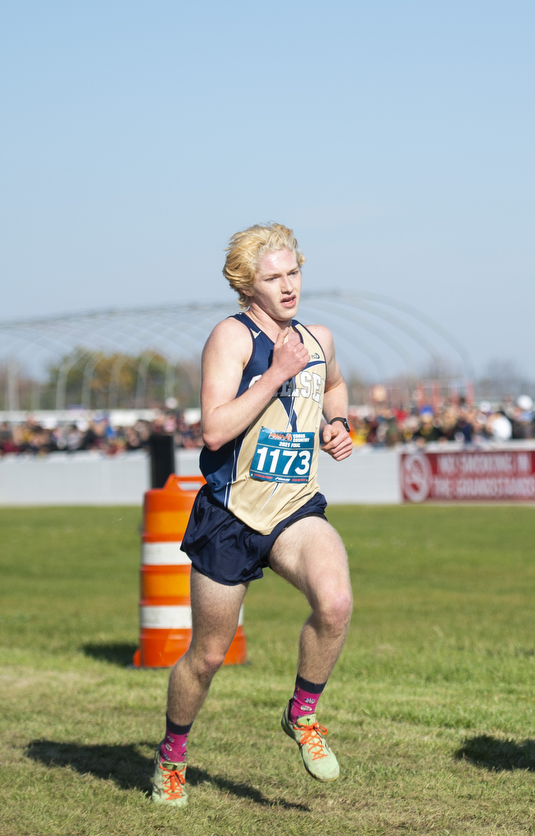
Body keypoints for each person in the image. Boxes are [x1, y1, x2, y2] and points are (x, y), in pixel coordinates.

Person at [153, 223, 355, 806]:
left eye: (294, 273)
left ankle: (304, 713)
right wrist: (276, 373)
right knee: (208, 656)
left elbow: (335, 387)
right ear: (247, 285)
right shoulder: (232, 337)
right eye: (274, 277)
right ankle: (172, 755)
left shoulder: (319, 339)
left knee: (336, 601)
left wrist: (335, 425)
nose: (289, 286)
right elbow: (213, 428)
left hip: (294, 508)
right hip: (231, 514)